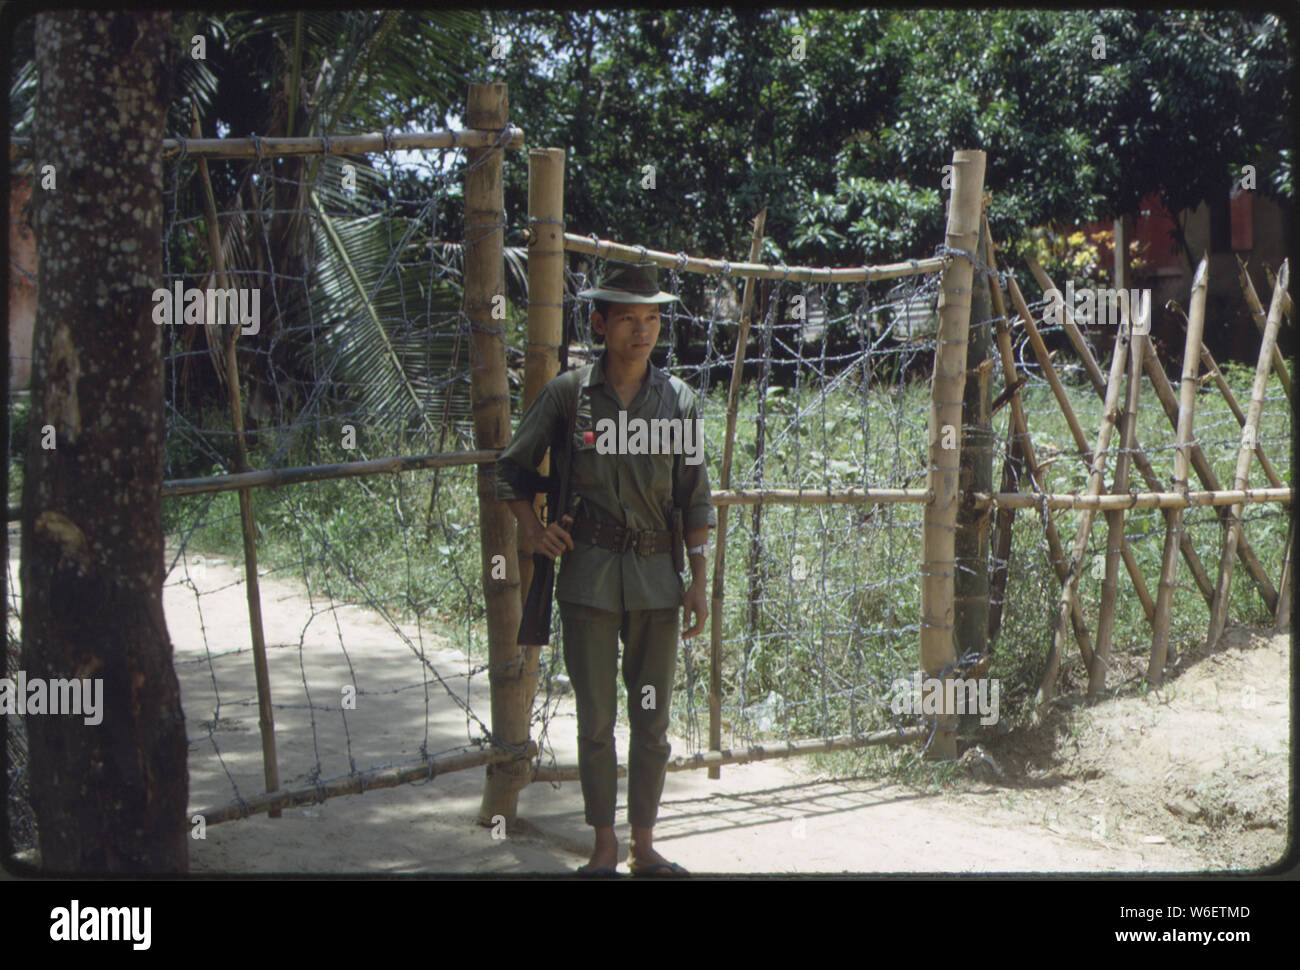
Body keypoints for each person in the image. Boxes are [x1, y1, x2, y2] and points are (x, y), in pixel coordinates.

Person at [494, 262, 715, 877]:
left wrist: (698, 581)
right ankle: (603, 848)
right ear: (600, 322)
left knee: (652, 722)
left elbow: (694, 497)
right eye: (627, 319)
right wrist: (534, 532)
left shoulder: (680, 403)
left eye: (651, 319)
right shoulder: (569, 395)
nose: (641, 332)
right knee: (595, 722)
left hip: (655, 586)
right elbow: (509, 470)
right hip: (587, 580)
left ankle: (644, 847)